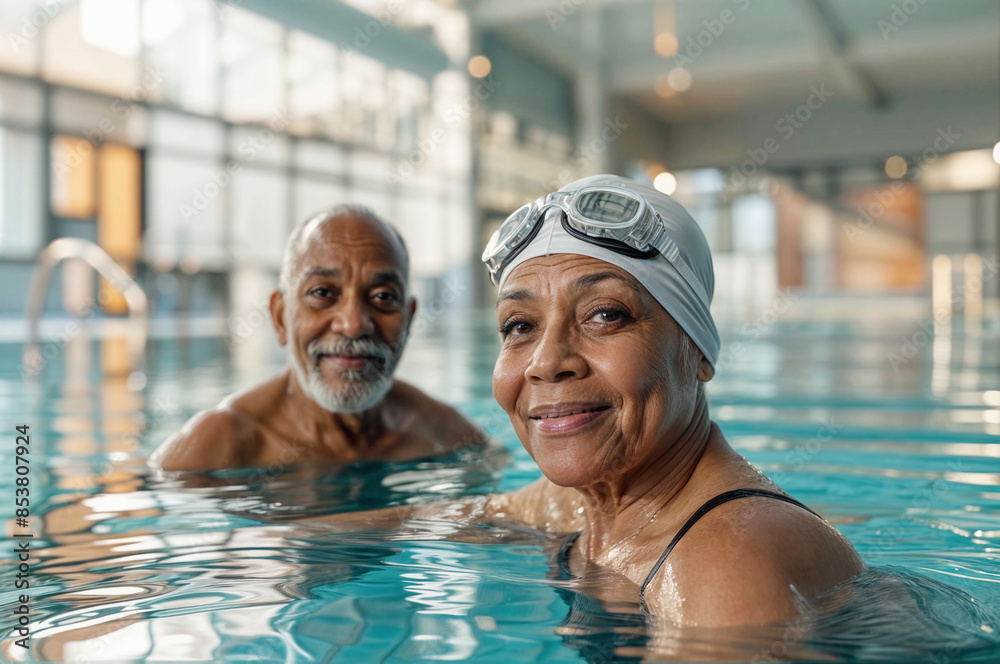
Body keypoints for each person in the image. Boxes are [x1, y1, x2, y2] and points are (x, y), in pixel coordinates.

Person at [309, 175, 865, 628]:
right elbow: (424, 521)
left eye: (605, 314)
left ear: (697, 350)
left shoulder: (727, 560)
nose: (546, 361)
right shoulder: (582, 503)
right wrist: (261, 552)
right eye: (519, 325)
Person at [150, 205, 487, 472]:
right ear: (281, 317)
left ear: (409, 320)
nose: (353, 324)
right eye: (323, 293)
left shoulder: (450, 438)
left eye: (383, 297)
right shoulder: (214, 449)